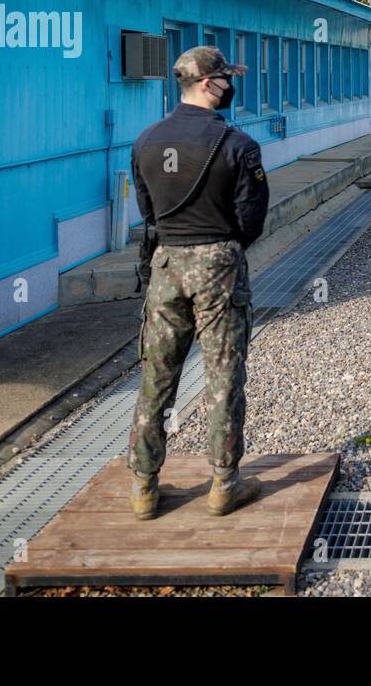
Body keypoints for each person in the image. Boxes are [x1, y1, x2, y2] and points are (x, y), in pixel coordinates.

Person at [126, 45, 270, 520]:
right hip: (219, 266)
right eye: (226, 78)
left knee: (156, 377)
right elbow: (251, 220)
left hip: (166, 267)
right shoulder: (238, 144)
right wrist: (220, 245)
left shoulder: (145, 140)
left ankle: (144, 488)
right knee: (223, 377)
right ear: (208, 84)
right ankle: (224, 484)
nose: (232, 85)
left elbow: (148, 213)